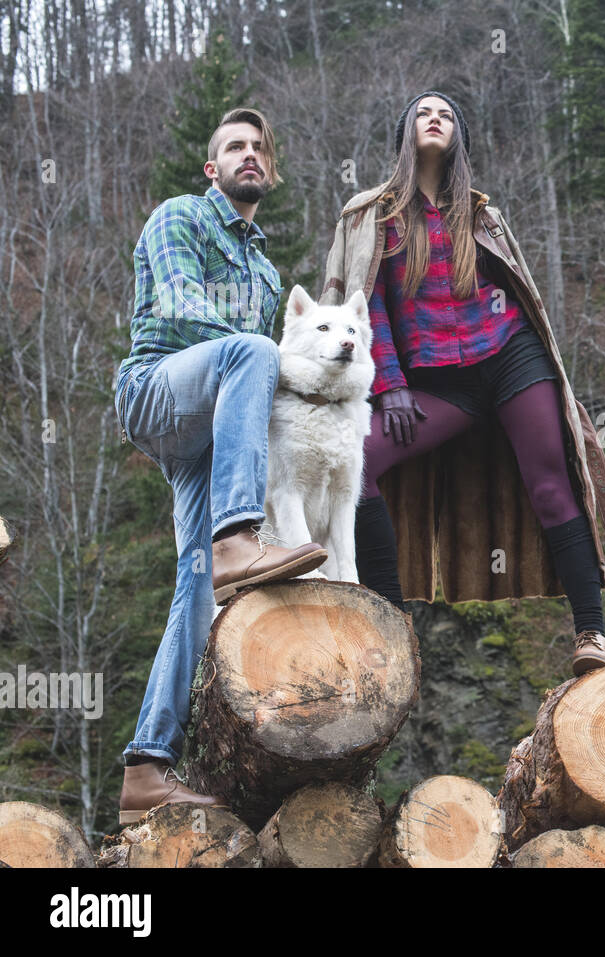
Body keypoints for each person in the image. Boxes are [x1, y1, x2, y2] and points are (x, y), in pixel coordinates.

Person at [319, 90, 605, 677]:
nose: (435, 119)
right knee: (352, 461)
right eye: (423, 113)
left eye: (446, 115)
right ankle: (391, 619)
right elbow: (370, 308)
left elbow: (518, 297)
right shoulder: (372, 215)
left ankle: (592, 634)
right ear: (404, 133)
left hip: (511, 359)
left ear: (457, 135)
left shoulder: (482, 215)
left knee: (550, 481)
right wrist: (390, 385)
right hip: (439, 384)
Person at [114, 108, 329, 824]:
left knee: (196, 588)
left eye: (259, 148)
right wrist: (278, 361)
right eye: (235, 146)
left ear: (270, 170)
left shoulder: (267, 275)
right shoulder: (181, 217)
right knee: (255, 353)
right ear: (213, 169)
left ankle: (146, 765)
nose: (248, 155)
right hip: (156, 389)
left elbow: (251, 399)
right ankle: (237, 538)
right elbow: (176, 310)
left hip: (208, 432)